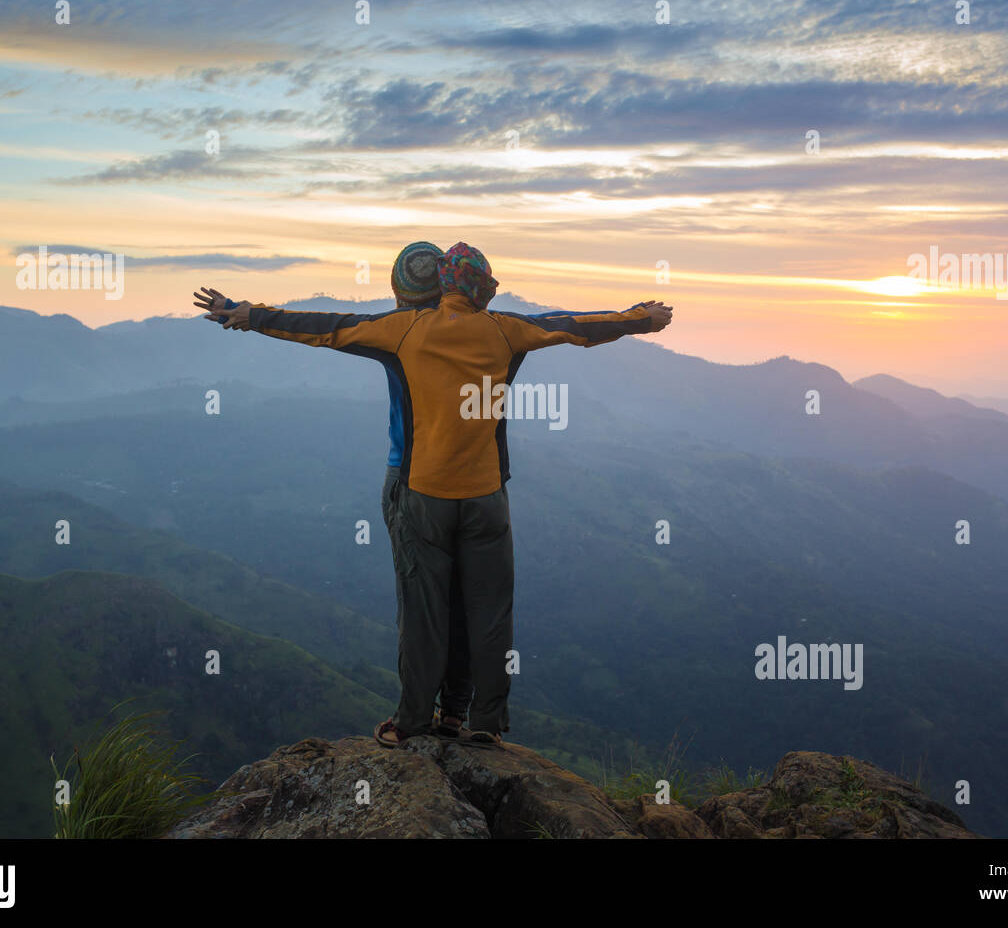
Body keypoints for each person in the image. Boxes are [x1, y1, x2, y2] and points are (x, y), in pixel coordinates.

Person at [194, 243, 672, 747]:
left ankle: (413, 720)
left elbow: (327, 326)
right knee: (488, 612)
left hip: (423, 494)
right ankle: (481, 721)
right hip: (487, 497)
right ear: (482, 286)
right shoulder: (505, 330)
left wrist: (249, 315)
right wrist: (640, 318)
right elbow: (574, 325)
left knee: (424, 612)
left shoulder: (405, 329)